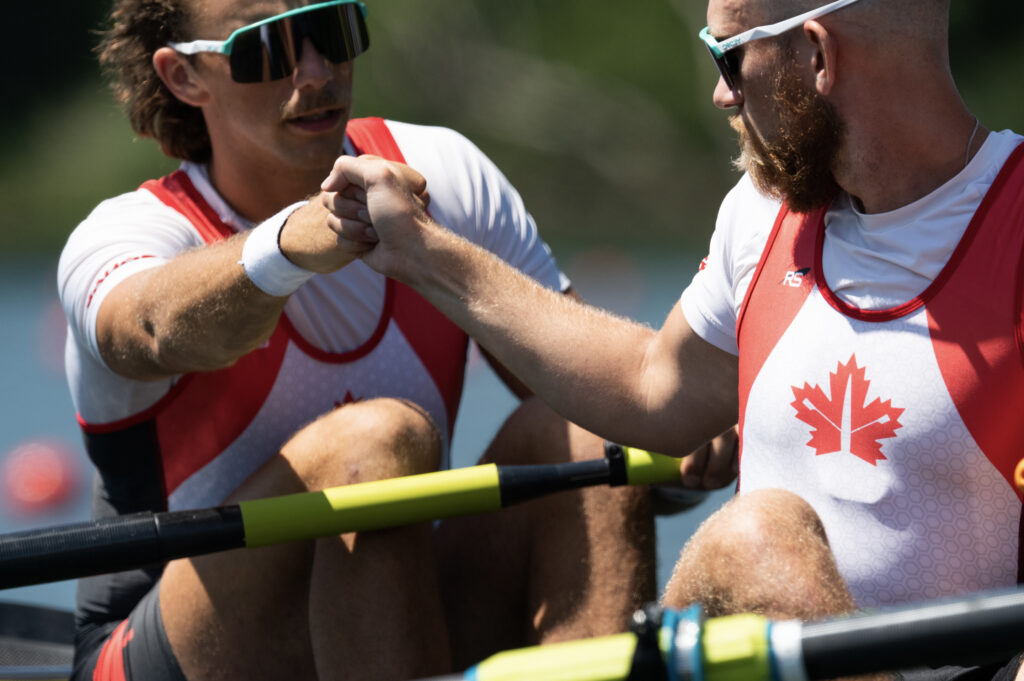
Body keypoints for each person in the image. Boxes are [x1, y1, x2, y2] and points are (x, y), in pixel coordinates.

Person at [321, 0, 1024, 677]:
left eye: (728, 55)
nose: (722, 96)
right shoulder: (762, 215)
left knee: (755, 540)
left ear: (817, 54)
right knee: (753, 540)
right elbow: (651, 386)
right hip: (763, 661)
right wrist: (421, 252)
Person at [57, 1, 662, 680]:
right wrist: (290, 244)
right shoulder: (124, 238)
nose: (316, 72)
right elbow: (152, 329)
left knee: (588, 432)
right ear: (185, 75)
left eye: (332, 30)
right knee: (372, 443)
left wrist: (691, 430)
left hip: (384, 614)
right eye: (271, 47)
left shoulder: (442, 173)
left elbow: (622, 399)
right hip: (162, 652)